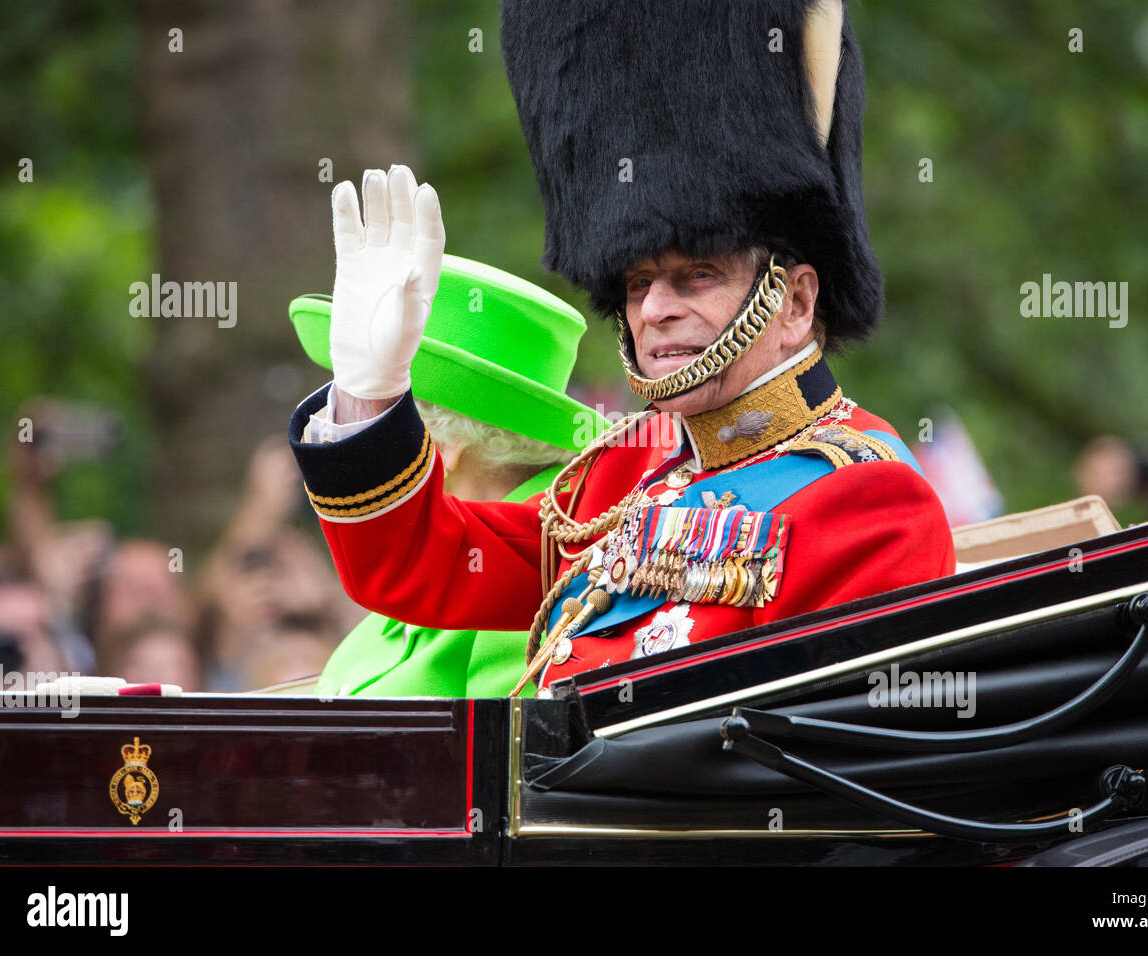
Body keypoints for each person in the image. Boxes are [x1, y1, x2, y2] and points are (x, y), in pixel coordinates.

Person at [288, 0, 956, 696]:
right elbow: (428, 565)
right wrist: (372, 391)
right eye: (638, 283)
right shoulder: (622, 471)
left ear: (794, 302)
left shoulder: (871, 498)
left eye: (697, 275)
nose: (657, 310)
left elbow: (834, 758)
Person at [286, 258, 604, 697]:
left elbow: (498, 755)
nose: (343, 426)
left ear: (435, 440)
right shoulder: (423, 563)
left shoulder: (547, 579)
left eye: (369, 410)